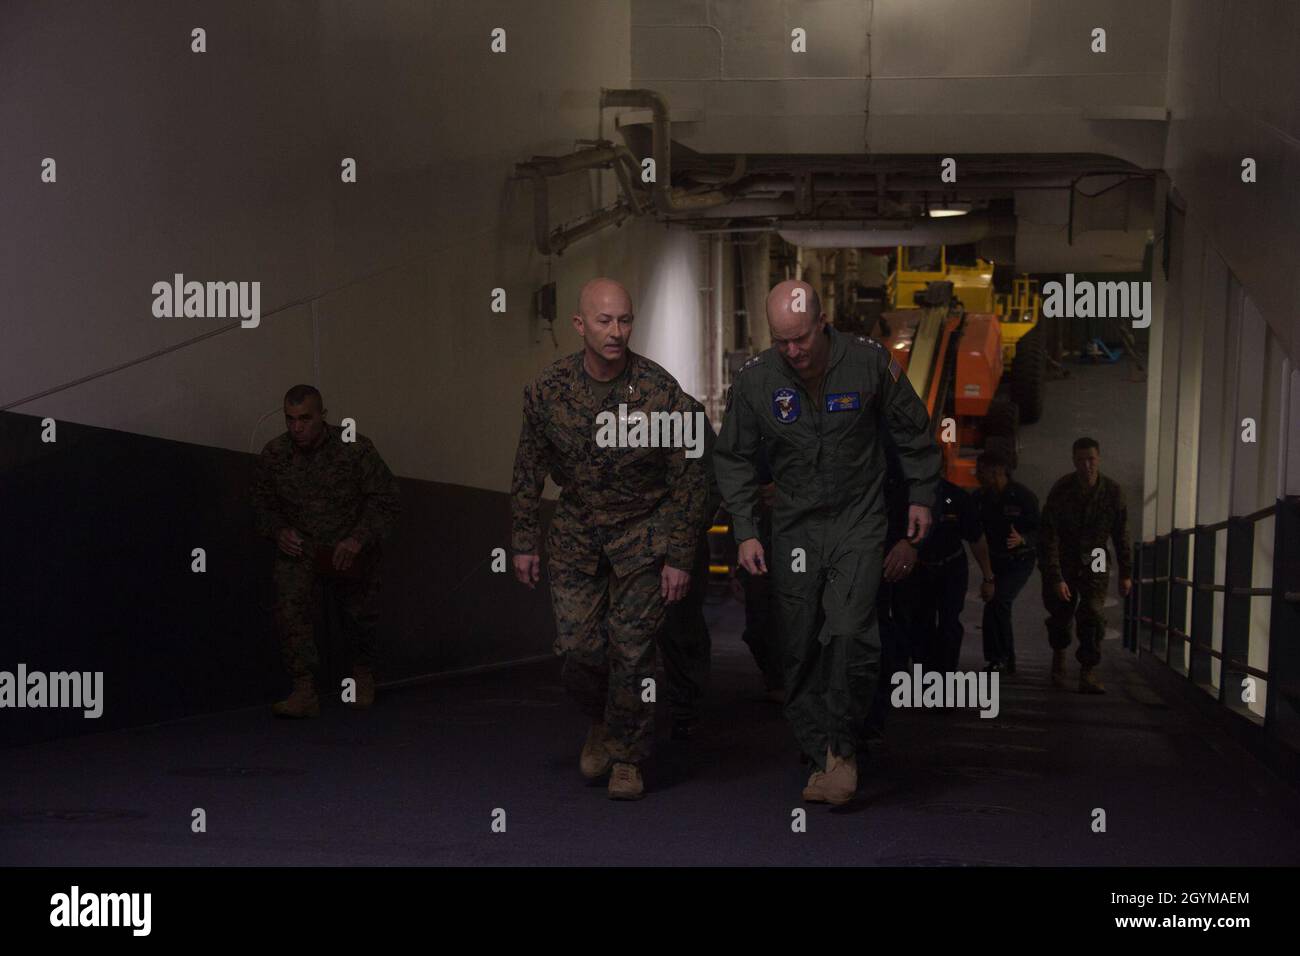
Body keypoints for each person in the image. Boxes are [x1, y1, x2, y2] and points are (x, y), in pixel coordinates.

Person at [714, 279, 940, 806]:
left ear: (822, 323)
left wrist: (923, 496)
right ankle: (820, 750)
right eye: (780, 341)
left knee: (849, 633)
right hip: (792, 529)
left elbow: (913, 430)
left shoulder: (869, 363)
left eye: (801, 339)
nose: (792, 351)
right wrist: (745, 531)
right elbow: (733, 458)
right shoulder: (756, 380)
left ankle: (840, 749)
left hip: (858, 522)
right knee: (796, 647)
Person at [510, 277, 705, 801]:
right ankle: (602, 721)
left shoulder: (662, 395)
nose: (617, 331)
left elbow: (690, 478)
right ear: (579, 325)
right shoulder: (547, 391)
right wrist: (524, 539)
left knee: (633, 651)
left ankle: (628, 757)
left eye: (625, 320)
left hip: (644, 537)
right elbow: (528, 469)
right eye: (604, 321)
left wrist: (680, 556)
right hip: (576, 539)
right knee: (578, 649)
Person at [252, 384, 401, 717]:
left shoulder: (354, 447)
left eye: (305, 418)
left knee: (359, 615)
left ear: (323, 416)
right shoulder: (274, 454)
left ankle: (362, 674)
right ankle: (304, 690)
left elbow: (387, 499)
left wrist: (358, 539)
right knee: (290, 611)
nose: (297, 428)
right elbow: (261, 505)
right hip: (300, 548)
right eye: (290, 419)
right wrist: (278, 532)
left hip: (348, 546)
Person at [1039, 437, 1133, 693]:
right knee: (1060, 613)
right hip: (1065, 557)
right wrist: (1055, 576)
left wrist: (1126, 573)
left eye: (1091, 459)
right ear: (1074, 461)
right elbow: (1049, 536)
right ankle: (1059, 657)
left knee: (1092, 614)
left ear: (1098, 459)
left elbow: (1121, 534)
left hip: (1096, 558)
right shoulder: (1062, 490)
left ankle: (1088, 671)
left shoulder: (1112, 492)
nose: (1086, 465)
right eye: (1081, 460)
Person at [658, 394, 721, 741]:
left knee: (681, 626)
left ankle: (687, 710)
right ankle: (618, 720)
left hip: (681, 537)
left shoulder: (682, 410)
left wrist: (690, 531)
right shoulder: (604, 411)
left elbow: (709, 480)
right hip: (626, 543)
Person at [972, 449, 1039, 674]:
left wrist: (1024, 539)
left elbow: (1042, 530)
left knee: (1000, 600)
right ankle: (1000, 658)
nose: (976, 475)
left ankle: (1001, 658)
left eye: (981, 471)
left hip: (1019, 561)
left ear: (998, 471)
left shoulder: (1022, 497)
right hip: (995, 560)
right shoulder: (980, 498)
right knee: (993, 602)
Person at [733, 441, 784, 701]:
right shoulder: (755, 438)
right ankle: (776, 678)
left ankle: (788, 682)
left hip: (800, 532)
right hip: (761, 533)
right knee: (759, 623)